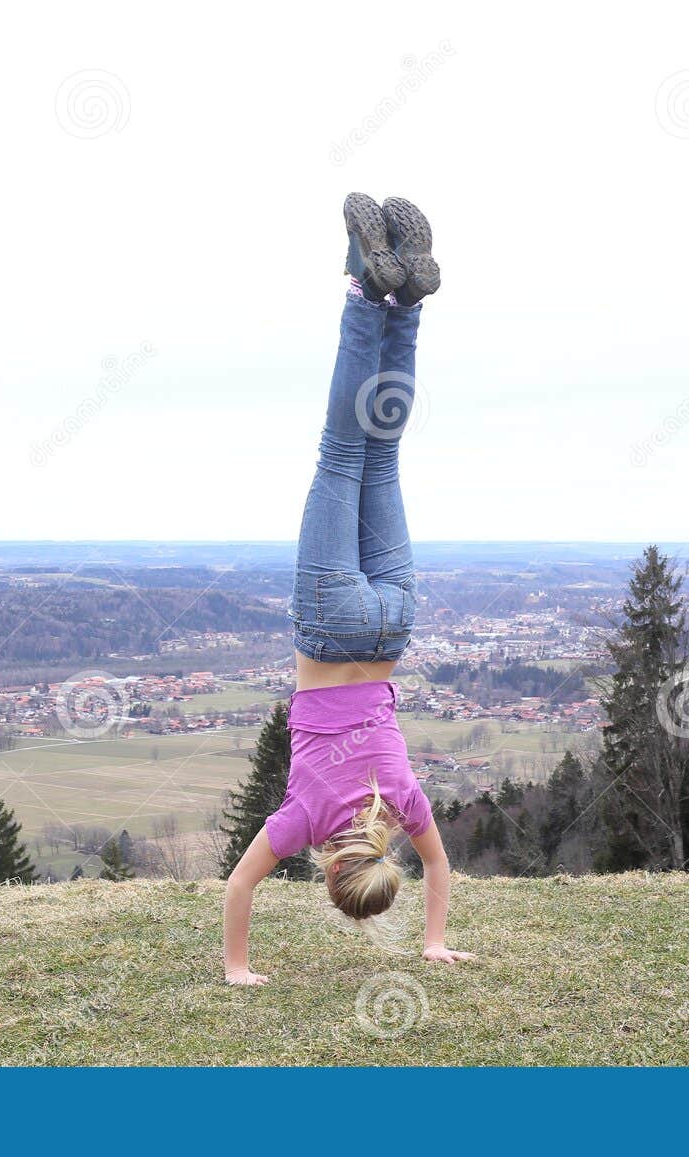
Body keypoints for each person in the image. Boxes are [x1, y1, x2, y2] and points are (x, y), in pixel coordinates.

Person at [223, 193, 475, 985]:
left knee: (382, 451)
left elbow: (441, 873)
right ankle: (370, 290)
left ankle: (406, 303)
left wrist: (433, 940)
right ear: (330, 869)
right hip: (332, 623)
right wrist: (236, 966)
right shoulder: (302, 822)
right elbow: (237, 885)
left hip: (392, 624)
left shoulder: (404, 806)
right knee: (342, 449)